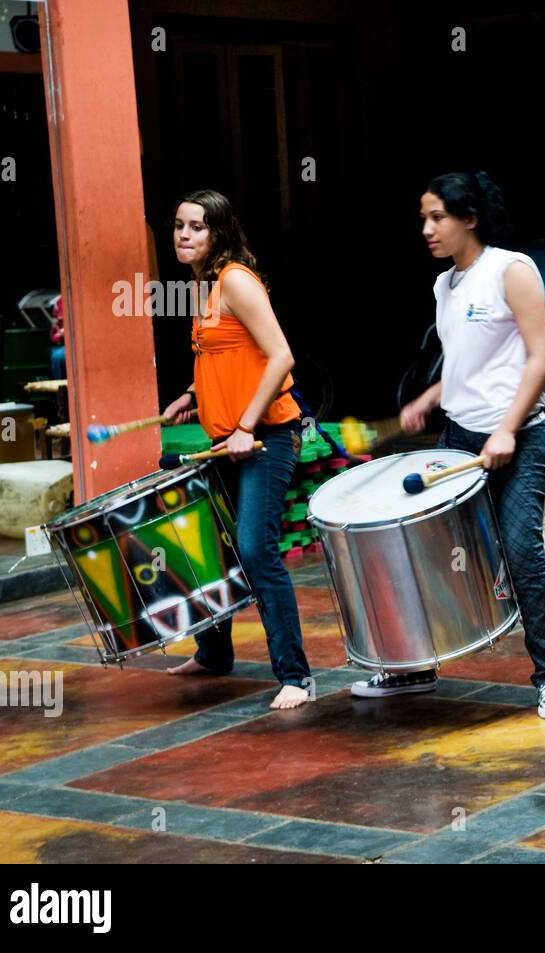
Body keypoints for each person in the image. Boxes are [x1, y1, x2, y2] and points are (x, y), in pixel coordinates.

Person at [365, 171, 545, 720]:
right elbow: (466, 361)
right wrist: (431, 397)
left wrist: (507, 426)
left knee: (522, 549)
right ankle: (414, 667)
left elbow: (542, 355)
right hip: (460, 436)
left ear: (470, 219)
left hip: (520, 436)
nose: (427, 229)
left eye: (438, 217)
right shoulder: (444, 286)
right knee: (430, 551)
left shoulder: (511, 270)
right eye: (423, 219)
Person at [163, 189, 311, 711]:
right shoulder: (200, 285)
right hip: (224, 440)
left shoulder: (235, 281)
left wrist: (247, 424)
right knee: (211, 544)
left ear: (219, 233)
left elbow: (279, 356)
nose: (184, 235)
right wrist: (192, 394)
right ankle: (213, 652)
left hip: (266, 437)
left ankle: (295, 676)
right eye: (179, 225)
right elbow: (229, 357)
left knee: (254, 549)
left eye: (196, 227)